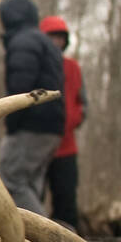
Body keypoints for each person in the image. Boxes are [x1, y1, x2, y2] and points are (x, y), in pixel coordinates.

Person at [0, 0, 65, 214]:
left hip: (30, 125)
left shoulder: (23, 42)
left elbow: (21, 90)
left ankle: (47, 239)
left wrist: (12, 122)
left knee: (13, 180)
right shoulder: (43, 41)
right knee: (31, 184)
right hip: (51, 126)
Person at [40, 15, 85, 229]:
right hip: (37, 145)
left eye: (60, 38)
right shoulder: (36, 64)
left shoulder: (73, 67)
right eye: (51, 37)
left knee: (66, 199)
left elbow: (82, 101)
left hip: (67, 146)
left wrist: (75, 118)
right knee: (31, 195)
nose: (56, 42)